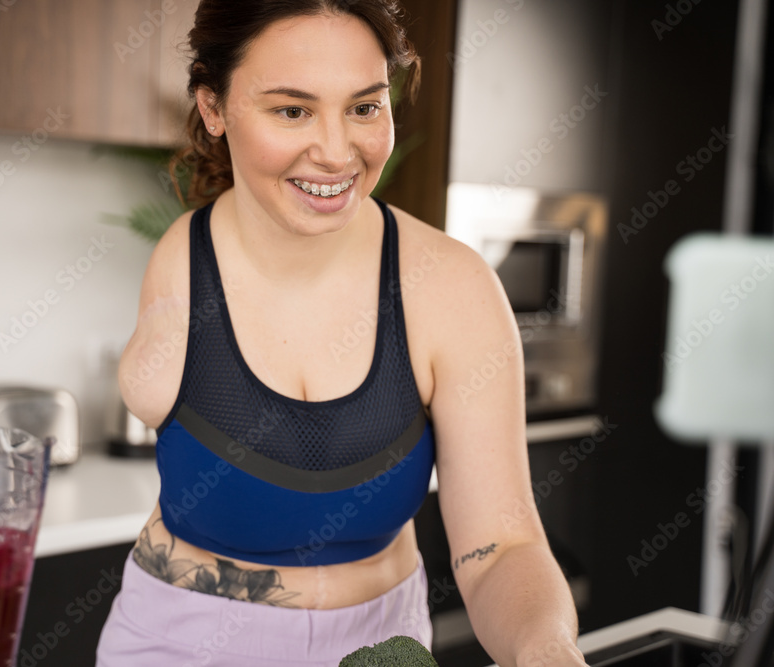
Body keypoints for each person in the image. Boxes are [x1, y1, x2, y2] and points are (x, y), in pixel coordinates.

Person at [98, 1, 588, 665]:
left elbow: (502, 547)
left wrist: (547, 651)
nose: (336, 151)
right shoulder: (185, 263)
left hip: (381, 645)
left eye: (364, 107)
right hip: (184, 642)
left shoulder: (452, 288)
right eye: (292, 110)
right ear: (214, 108)